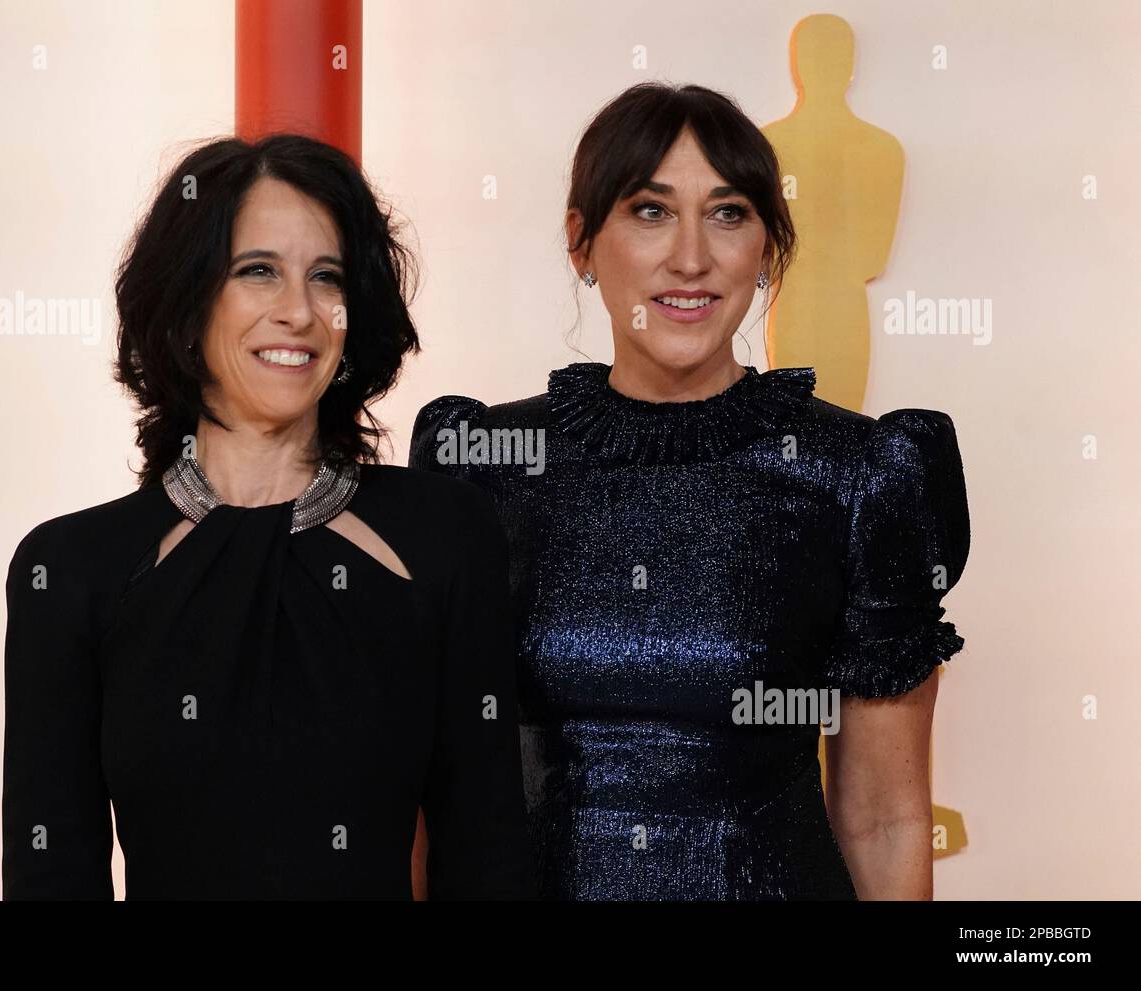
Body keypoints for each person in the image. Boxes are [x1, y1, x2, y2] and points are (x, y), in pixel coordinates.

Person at [409, 83, 970, 900]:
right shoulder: (486, 464)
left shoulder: (860, 472)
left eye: (730, 213)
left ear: (767, 247)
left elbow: (885, 816)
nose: (691, 258)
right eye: (649, 210)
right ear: (580, 241)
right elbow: (433, 796)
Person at [3, 133, 533, 899]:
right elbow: (52, 875)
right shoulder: (70, 569)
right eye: (258, 272)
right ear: (188, 303)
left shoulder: (445, 534)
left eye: (328, 278)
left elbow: (487, 855)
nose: (299, 312)